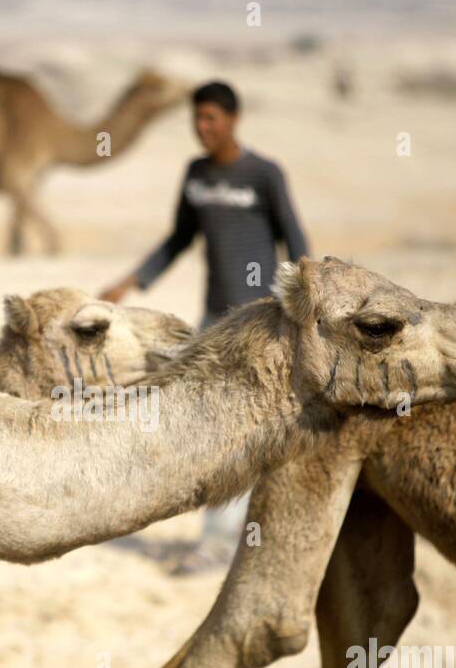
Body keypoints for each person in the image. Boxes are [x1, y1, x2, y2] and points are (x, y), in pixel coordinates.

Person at [101, 79, 310, 572]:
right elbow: (178, 239)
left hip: (262, 323)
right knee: (203, 424)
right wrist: (130, 282)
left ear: (234, 120)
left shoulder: (264, 175)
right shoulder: (195, 175)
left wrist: (305, 311)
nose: (202, 128)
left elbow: (297, 244)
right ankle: (217, 535)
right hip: (212, 323)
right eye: (196, 119)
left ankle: (225, 542)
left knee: (244, 432)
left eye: (211, 119)